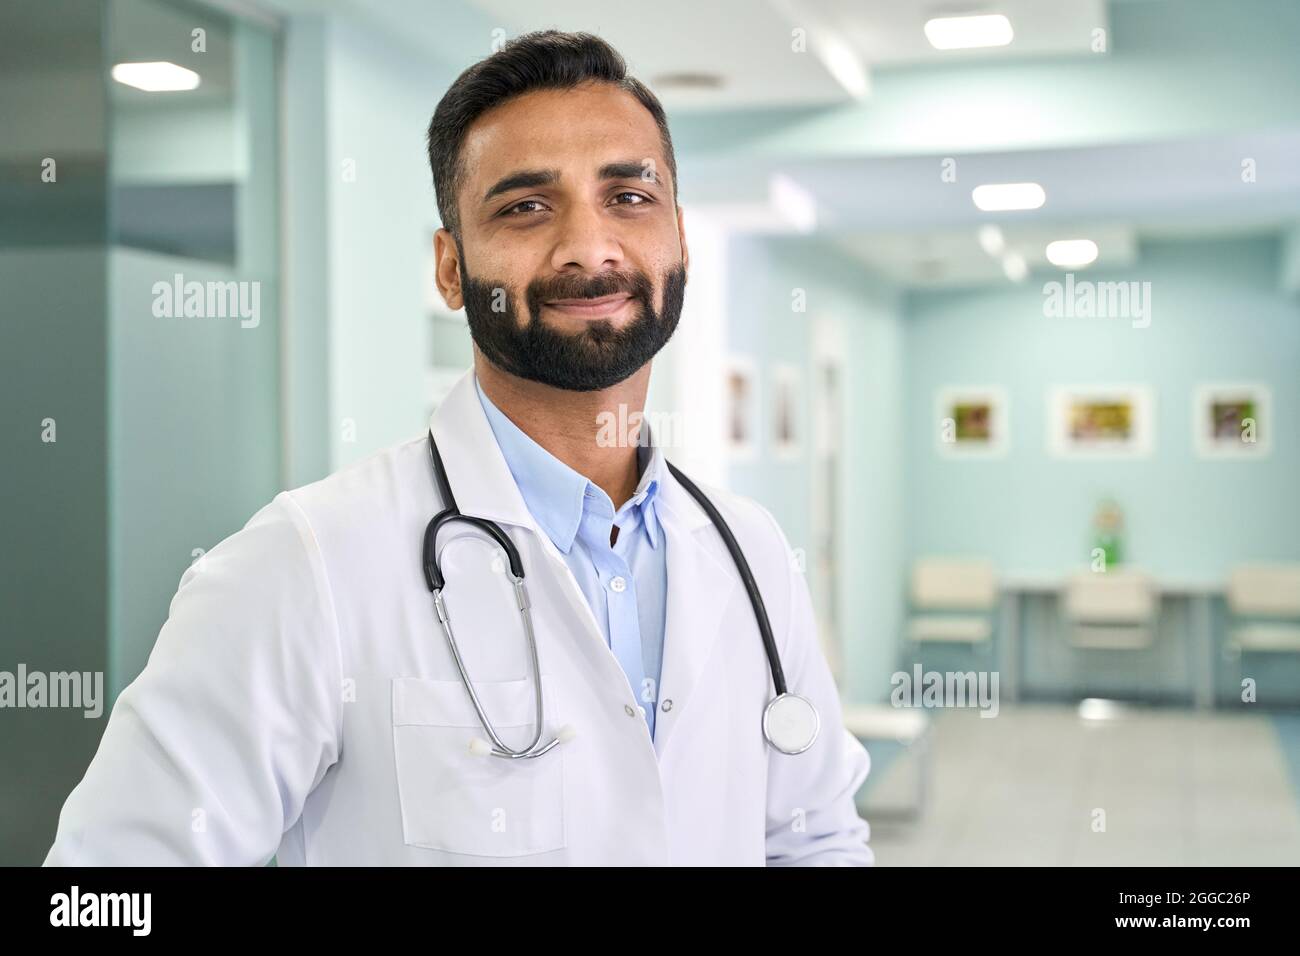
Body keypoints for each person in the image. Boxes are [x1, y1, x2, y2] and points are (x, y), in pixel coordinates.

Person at [44, 29, 872, 866]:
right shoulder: (304, 567)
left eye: (628, 196)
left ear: (680, 240)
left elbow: (819, 841)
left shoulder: (752, 554)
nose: (590, 247)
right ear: (449, 268)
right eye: (525, 207)